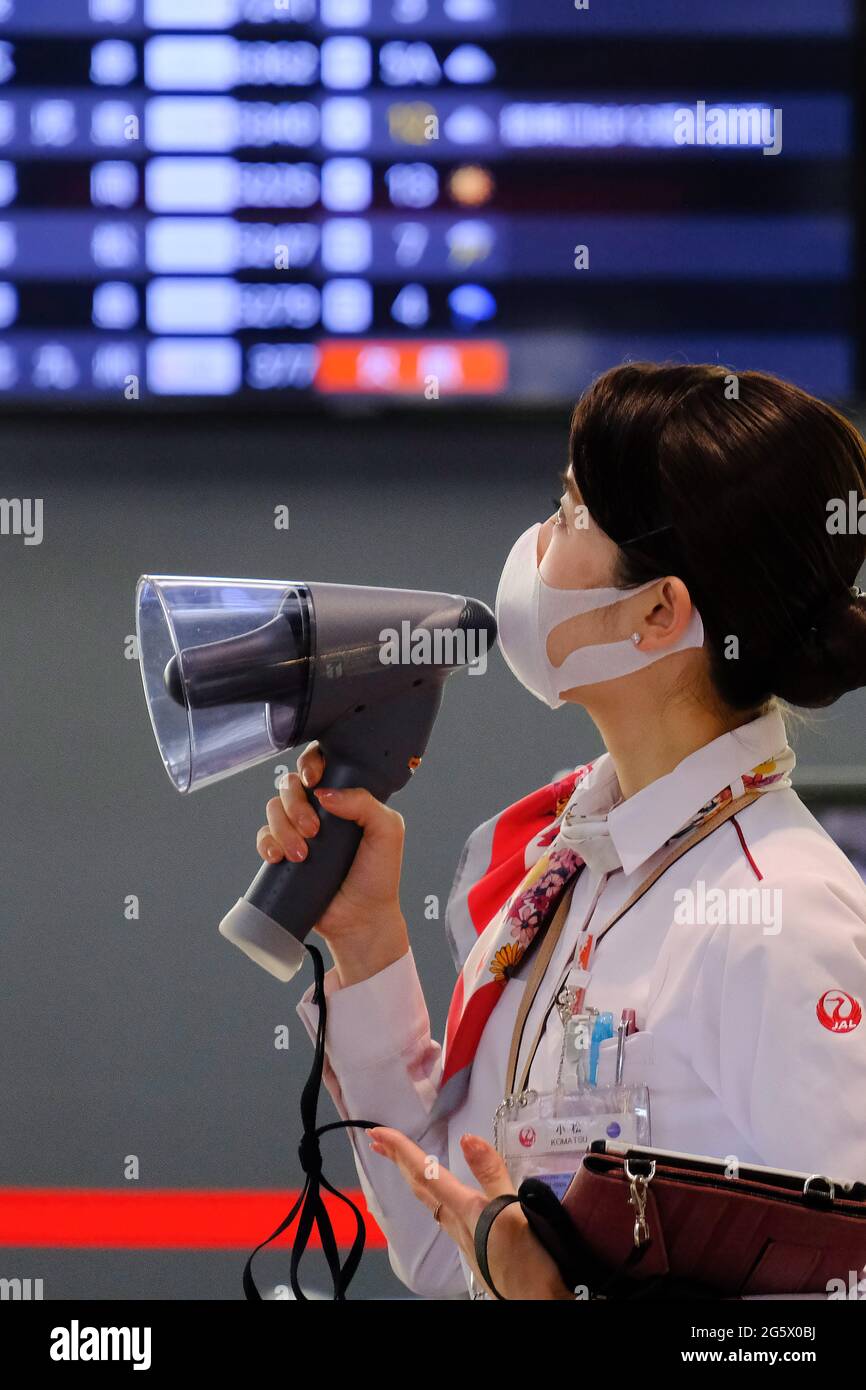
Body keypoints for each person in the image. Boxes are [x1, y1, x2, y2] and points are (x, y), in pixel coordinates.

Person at [256, 363, 866, 1300]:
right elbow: (443, 1247)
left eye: (573, 512)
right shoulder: (570, 858)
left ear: (659, 612)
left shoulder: (776, 918)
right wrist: (367, 942)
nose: (538, 538)